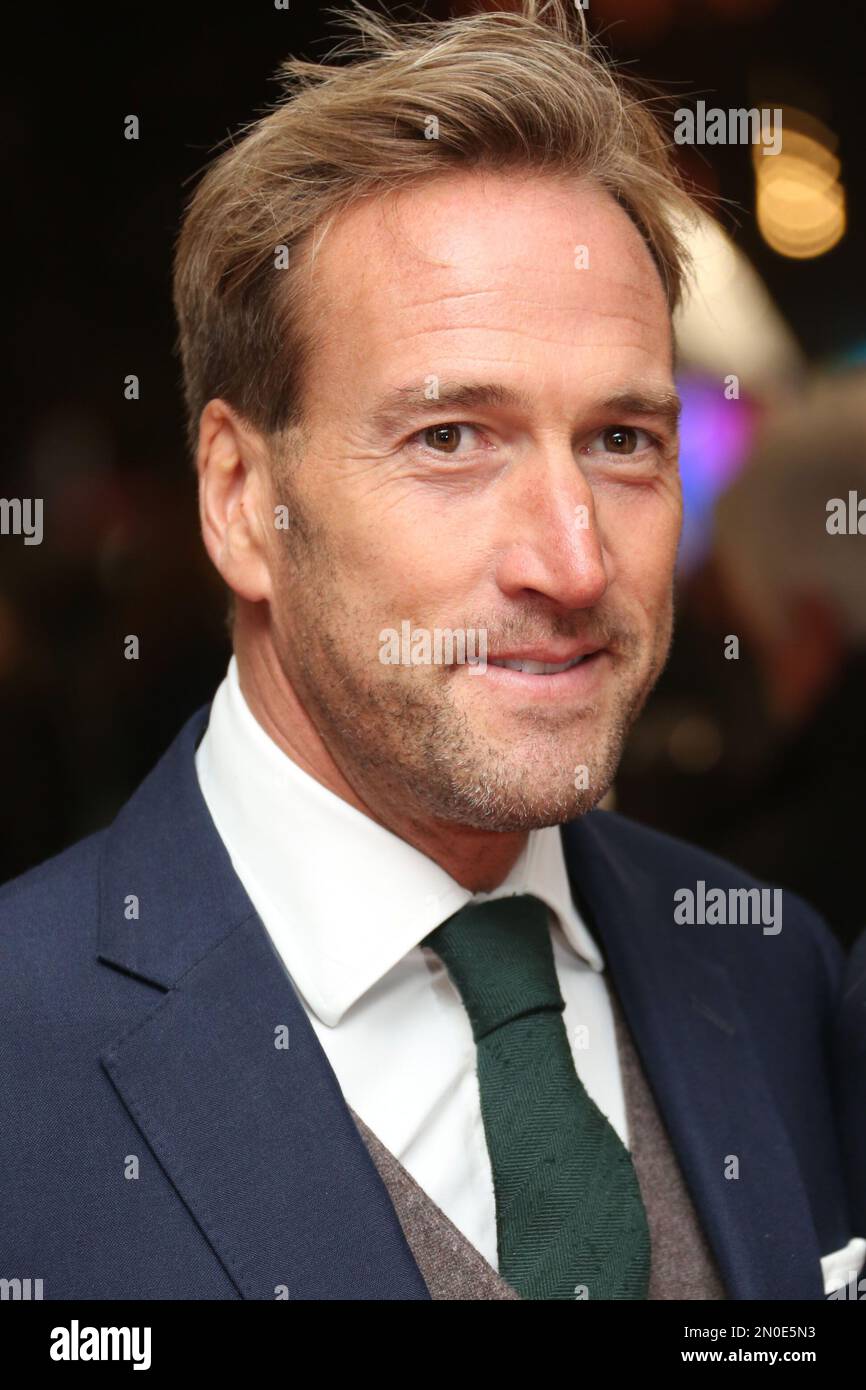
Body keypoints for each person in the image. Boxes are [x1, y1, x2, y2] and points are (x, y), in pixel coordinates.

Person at [0, 0, 859, 1300]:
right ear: (240, 497)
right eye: (451, 438)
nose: (572, 562)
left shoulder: (767, 964)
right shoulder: (23, 1045)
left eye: (622, 440)